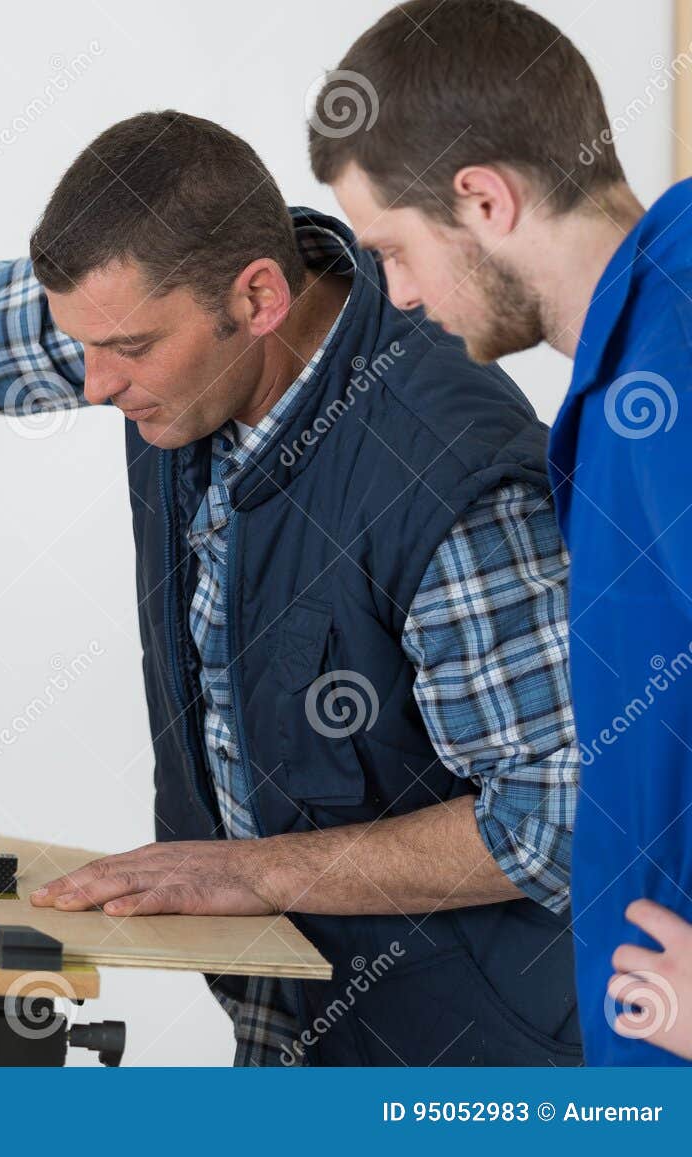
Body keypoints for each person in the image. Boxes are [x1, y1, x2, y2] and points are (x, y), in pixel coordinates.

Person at [0, 109, 581, 1065]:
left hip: (469, 1056)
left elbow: (557, 815)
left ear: (260, 297)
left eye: (130, 351)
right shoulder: (170, 327)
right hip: (283, 1022)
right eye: (81, 345)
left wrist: (255, 873)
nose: (92, 385)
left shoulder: (447, 476)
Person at [310, 0, 692, 1065]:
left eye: (391, 246)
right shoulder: (634, 352)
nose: (391, 291)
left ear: (482, 198)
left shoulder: (672, 365)